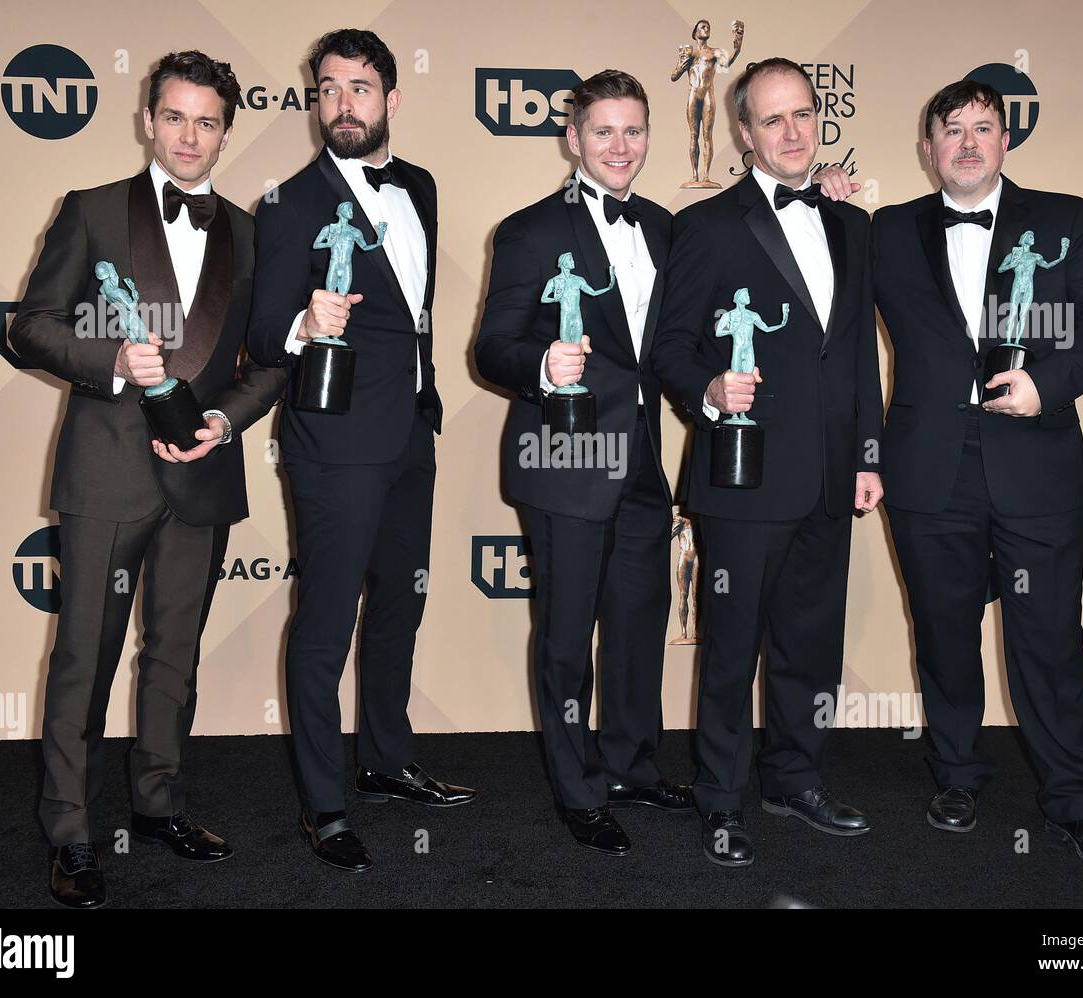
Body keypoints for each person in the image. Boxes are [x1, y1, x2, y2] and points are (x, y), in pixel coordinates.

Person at [10, 51, 289, 907]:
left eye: (207, 121)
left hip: (202, 472)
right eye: (175, 116)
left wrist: (225, 421)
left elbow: (271, 362)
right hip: (106, 476)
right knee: (83, 662)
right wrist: (115, 364)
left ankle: (160, 802)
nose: (189, 135)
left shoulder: (247, 231)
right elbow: (29, 328)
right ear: (147, 120)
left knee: (173, 658)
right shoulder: (91, 211)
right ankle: (71, 834)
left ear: (225, 132)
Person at [871, 79, 1083, 869]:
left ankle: (1077, 805)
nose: (966, 142)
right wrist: (825, 192)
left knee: (1049, 641)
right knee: (946, 636)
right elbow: (820, 282)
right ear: (928, 149)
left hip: (1036, 467)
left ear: (1006, 142)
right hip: (927, 472)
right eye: (950, 130)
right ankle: (956, 773)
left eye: (982, 128)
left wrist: (1048, 384)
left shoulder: (1062, 217)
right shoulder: (885, 230)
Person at [246, 28, 474, 874]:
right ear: (315, 99)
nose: (344, 103)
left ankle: (383, 760)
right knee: (326, 625)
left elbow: (415, 311)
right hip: (334, 440)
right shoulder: (288, 204)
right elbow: (264, 335)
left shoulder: (418, 185)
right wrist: (308, 323)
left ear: (391, 101)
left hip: (412, 429)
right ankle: (326, 805)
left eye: (362, 88)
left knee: (399, 606)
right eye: (330, 88)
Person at [651, 58, 881, 868]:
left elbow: (856, 358)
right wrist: (709, 388)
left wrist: (867, 455)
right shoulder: (708, 225)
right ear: (743, 133)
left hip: (828, 477)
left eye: (803, 115)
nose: (791, 132)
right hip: (741, 475)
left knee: (810, 645)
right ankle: (720, 800)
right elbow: (669, 346)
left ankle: (794, 778)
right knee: (731, 649)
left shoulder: (853, 224)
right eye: (772, 119)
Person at [474, 70, 690, 856]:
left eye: (633, 130)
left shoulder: (667, 227)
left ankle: (632, 763)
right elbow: (491, 346)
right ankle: (578, 789)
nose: (620, 146)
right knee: (567, 638)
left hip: (640, 461)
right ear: (573, 138)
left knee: (638, 623)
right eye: (604, 131)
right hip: (564, 456)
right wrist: (540, 366)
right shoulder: (530, 230)